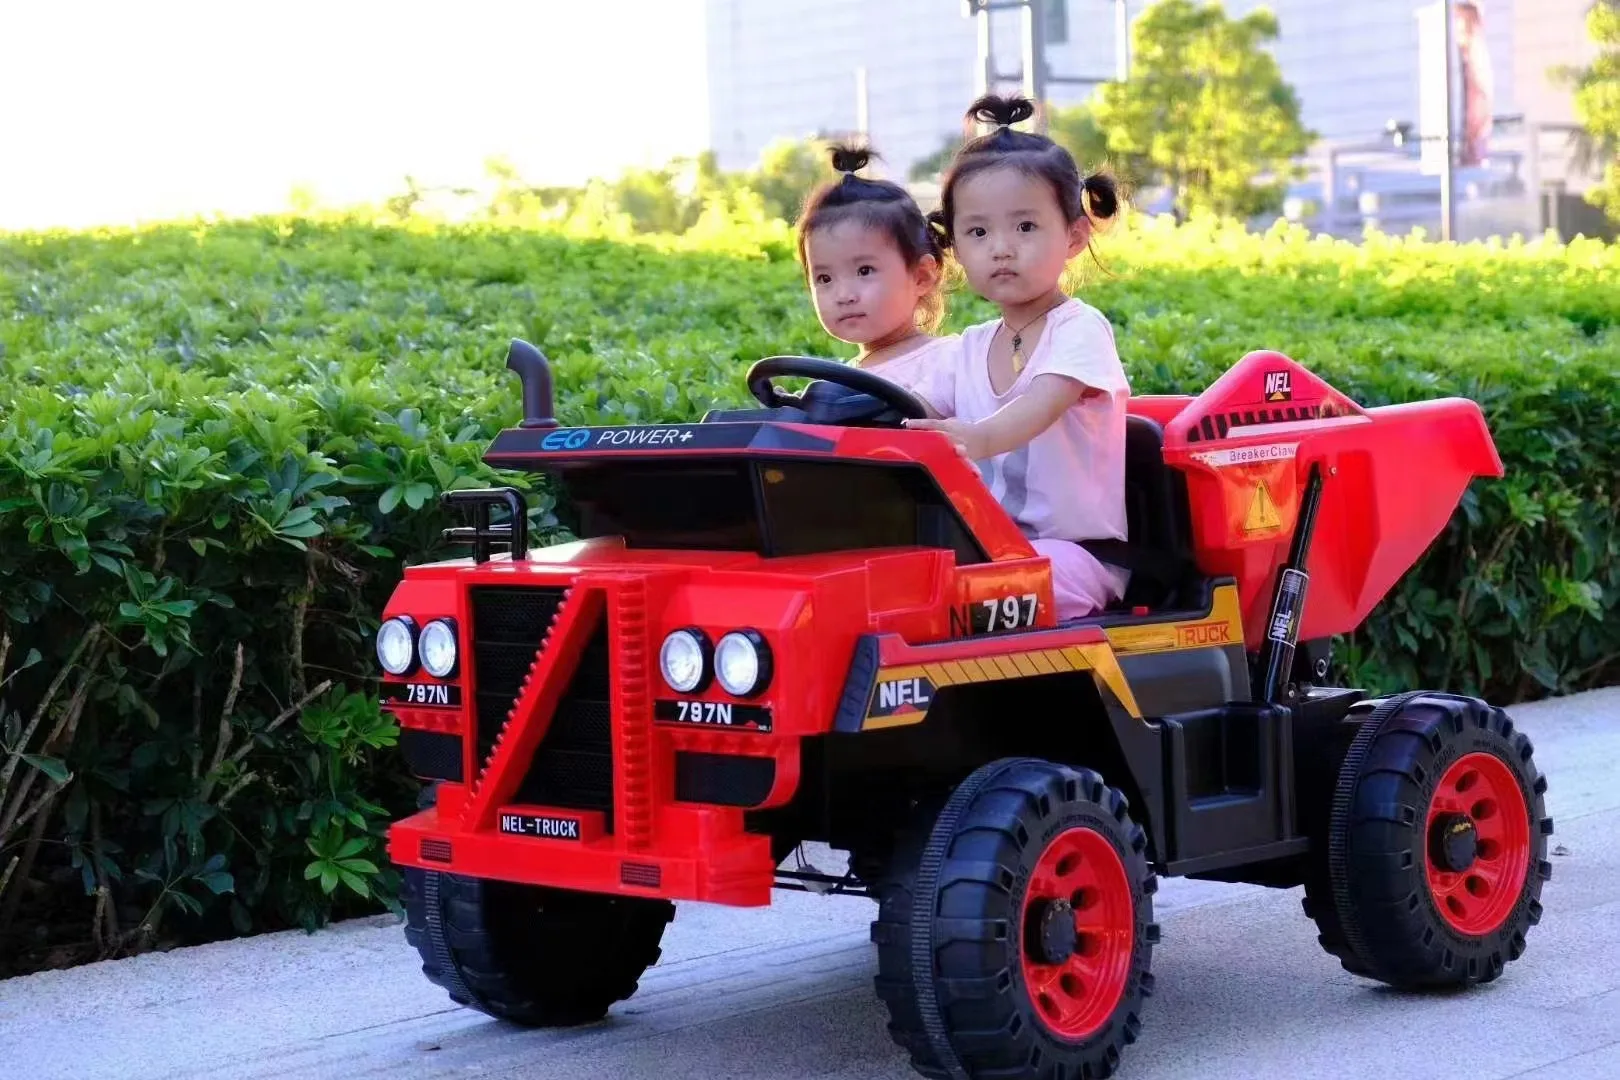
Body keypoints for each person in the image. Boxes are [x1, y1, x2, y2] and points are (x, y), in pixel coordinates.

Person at [906, 93, 1131, 621]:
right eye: (978, 232)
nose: (1001, 248)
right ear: (955, 245)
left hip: (1077, 556)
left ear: (1075, 236)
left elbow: (1042, 401)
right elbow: (906, 408)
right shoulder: (969, 347)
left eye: (1025, 227)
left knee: (968, 600)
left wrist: (978, 438)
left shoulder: (1079, 330)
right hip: (990, 550)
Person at [797, 144, 957, 395]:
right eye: (825, 278)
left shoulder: (951, 362)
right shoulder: (837, 385)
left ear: (921, 276)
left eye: (864, 271)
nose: (844, 295)